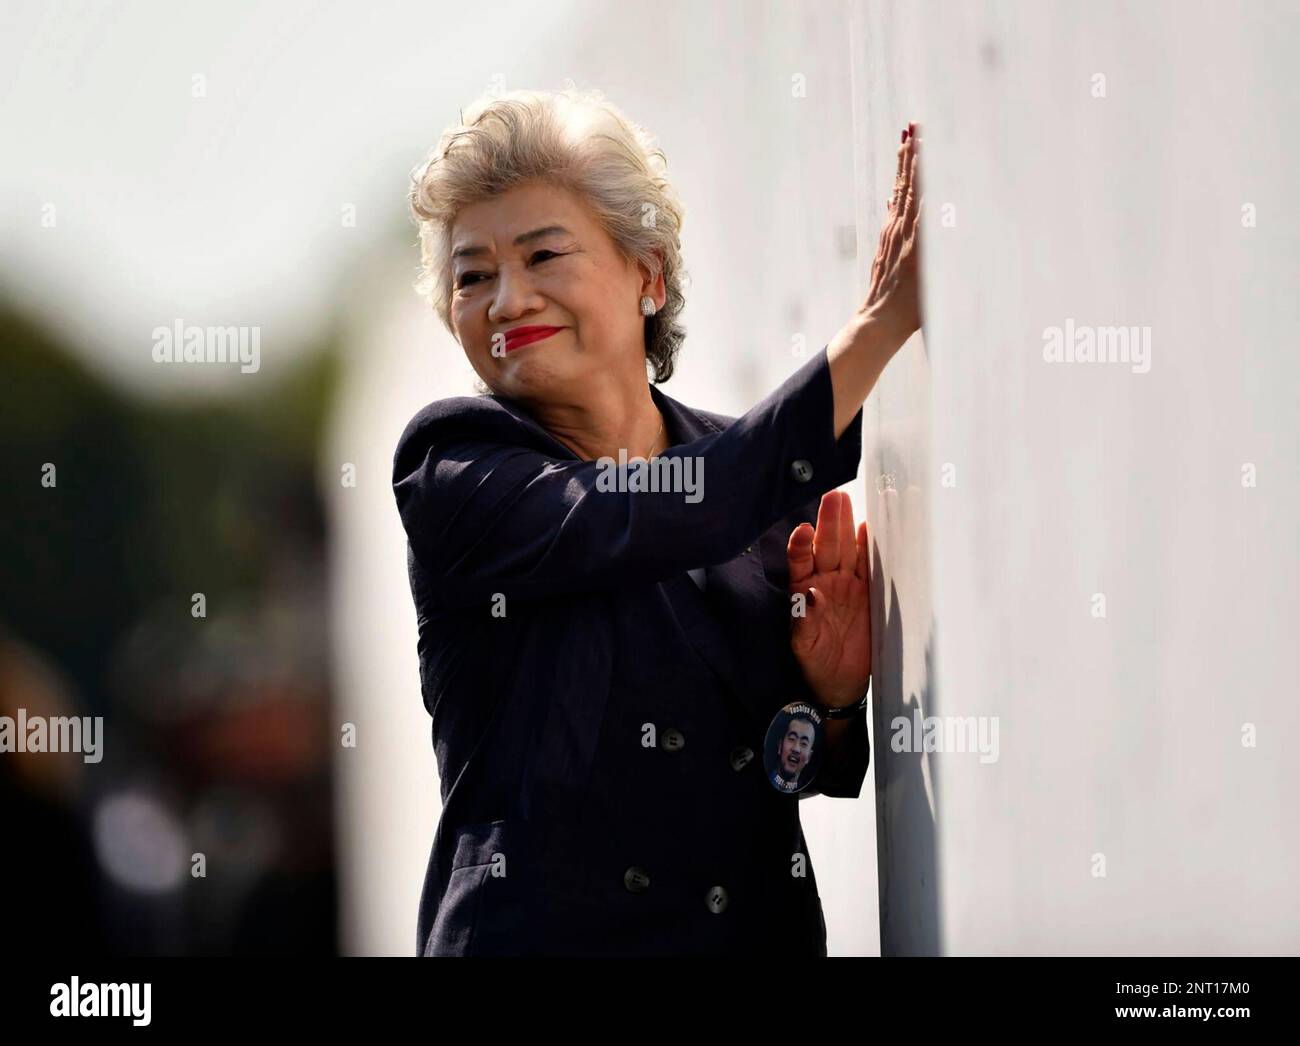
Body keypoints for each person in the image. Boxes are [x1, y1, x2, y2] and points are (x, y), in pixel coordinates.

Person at [393, 87, 922, 956]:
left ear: (648, 273)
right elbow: (638, 516)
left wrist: (828, 702)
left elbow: (791, 768)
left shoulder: (747, 479)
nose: (506, 301)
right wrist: (878, 330)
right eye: (472, 274)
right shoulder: (454, 468)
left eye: (542, 255)